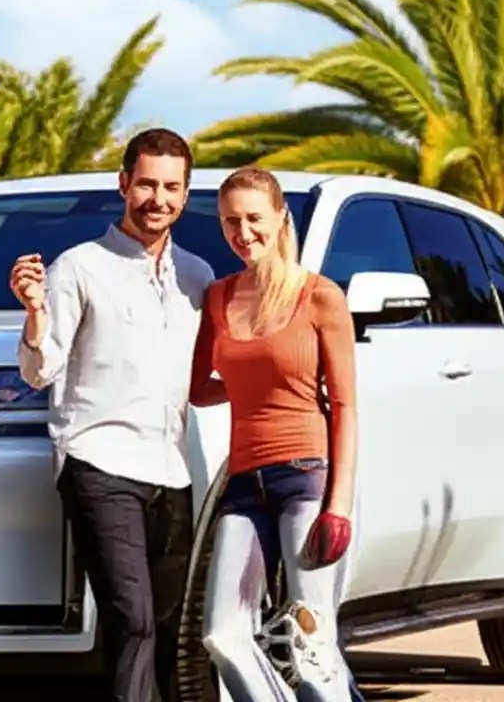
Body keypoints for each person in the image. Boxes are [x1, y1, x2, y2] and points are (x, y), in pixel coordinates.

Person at [8, 128, 215, 702]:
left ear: (185, 192)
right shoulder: (78, 268)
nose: (158, 198)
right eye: (146, 183)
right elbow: (39, 369)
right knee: (134, 620)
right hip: (100, 464)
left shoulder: (197, 278)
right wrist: (33, 312)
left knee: (171, 630)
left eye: (171, 187)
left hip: (173, 472)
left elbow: (210, 374)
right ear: (124, 183)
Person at [189, 166, 364, 702]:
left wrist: (338, 506)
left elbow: (347, 405)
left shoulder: (320, 297)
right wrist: (252, 394)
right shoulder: (218, 300)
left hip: (307, 480)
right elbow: (198, 388)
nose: (243, 233)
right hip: (244, 485)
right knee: (222, 635)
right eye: (230, 222)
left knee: (311, 644)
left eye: (253, 219)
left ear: (280, 218)